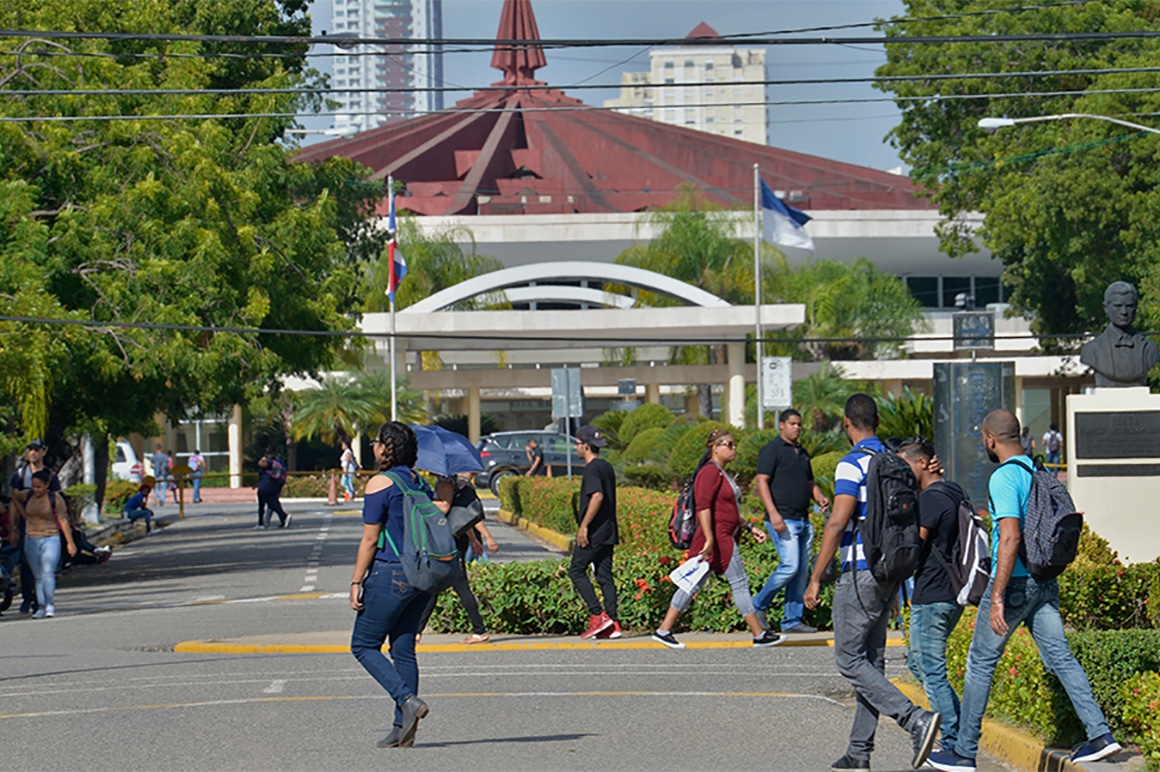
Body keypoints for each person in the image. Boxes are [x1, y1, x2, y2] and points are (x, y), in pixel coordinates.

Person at [927, 411, 1121, 771]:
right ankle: (1100, 735)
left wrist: (997, 595)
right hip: (1044, 580)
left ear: (990, 439)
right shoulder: (1039, 471)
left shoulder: (1003, 477)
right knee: (1061, 657)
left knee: (980, 663)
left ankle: (963, 752)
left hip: (1014, 581)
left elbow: (1012, 537)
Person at [804, 394, 941, 772]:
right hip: (888, 571)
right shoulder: (897, 462)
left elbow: (837, 522)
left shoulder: (851, 465)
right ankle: (859, 752)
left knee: (849, 659)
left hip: (858, 572)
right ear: (877, 423)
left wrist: (816, 577)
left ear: (847, 424)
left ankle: (914, 719)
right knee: (872, 663)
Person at [350, 421, 448, 749]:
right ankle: (401, 729)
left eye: (376, 442)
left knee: (363, 645)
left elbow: (369, 538)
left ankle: (407, 701)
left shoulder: (380, 482)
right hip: (422, 576)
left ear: (385, 447)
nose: (373, 447)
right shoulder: (418, 481)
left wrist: (355, 581)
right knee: (404, 649)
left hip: (390, 572)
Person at [653, 429, 785, 650]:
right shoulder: (709, 473)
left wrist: (749, 527)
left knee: (693, 583)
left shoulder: (720, 473)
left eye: (734, 445)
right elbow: (703, 507)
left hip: (719, 535)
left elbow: (726, 509)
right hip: (716, 537)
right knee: (739, 582)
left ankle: (664, 630)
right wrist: (710, 539)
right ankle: (758, 634)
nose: (734, 449)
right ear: (715, 448)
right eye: (729, 445)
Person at [896, 436, 965, 752]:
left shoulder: (931, 500)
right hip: (951, 591)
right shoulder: (952, 490)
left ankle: (953, 740)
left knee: (930, 668)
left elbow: (915, 546)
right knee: (920, 663)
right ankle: (959, 728)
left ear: (923, 463)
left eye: (906, 463)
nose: (903, 470)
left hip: (932, 593)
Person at [753, 408, 829, 634]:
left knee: (800, 570)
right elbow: (762, 482)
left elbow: (809, 483)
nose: (797, 428)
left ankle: (792, 620)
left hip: (803, 519)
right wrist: (773, 513)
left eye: (799, 424)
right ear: (782, 425)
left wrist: (820, 496)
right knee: (790, 566)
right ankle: (757, 605)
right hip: (783, 519)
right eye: (793, 424)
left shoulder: (802, 453)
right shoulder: (772, 450)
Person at [417, 476, 493, 644]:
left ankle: (479, 630)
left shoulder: (445, 482)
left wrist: (423, 504)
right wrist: (473, 539)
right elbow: (462, 516)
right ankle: (417, 631)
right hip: (455, 539)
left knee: (459, 584)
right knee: (435, 585)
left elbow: (445, 507)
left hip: (451, 542)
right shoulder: (456, 482)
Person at [568, 426, 622, 639]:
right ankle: (613, 623)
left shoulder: (592, 469)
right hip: (608, 531)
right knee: (604, 576)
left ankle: (597, 615)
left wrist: (584, 526)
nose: (575, 447)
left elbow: (597, 496)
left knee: (576, 570)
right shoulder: (606, 466)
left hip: (595, 532)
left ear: (586, 446)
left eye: (578, 444)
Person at [11, 470, 76, 619]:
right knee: (38, 576)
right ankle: (40, 606)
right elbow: (15, 498)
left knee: (48, 571)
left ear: (47, 485)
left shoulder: (55, 499)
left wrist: (70, 543)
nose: (36, 490)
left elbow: (63, 520)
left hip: (50, 538)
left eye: (39, 487)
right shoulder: (27, 495)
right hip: (31, 538)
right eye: (34, 486)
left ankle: (49, 604)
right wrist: (24, 515)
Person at [10, 439, 60, 616]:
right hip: (27, 528)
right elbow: (14, 501)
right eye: (30, 449)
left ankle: (46, 603)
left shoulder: (50, 476)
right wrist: (13, 527)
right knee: (27, 565)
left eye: (36, 450)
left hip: (48, 529)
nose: (33, 453)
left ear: (43, 452)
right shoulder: (21, 475)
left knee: (46, 568)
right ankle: (27, 598)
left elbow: (58, 502)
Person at [1079, 281, 1160, 387]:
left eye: (1129, 306)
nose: (1124, 312)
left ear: (1136, 307)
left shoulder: (1149, 349)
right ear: (1105, 308)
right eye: (1118, 306)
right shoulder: (1091, 350)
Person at [255, 448, 291, 529]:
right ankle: (281, 519)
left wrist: (263, 459)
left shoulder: (269, 462)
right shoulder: (279, 461)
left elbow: (261, 464)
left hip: (266, 486)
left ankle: (263, 522)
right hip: (274, 485)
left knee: (266, 504)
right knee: (273, 503)